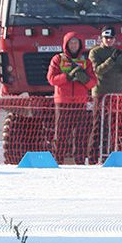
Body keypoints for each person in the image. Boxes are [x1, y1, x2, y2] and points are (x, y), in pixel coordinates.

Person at [46, 31, 97, 165]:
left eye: (76, 43)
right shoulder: (58, 59)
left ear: (80, 45)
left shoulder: (86, 62)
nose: (74, 45)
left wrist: (84, 79)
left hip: (81, 103)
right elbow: (51, 79)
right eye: (71, 43)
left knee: (81, 135)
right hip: (63, 103)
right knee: (61, 134)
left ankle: (80, 161)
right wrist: (66, 77)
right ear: (66, 45)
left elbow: (93, 83)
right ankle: (58, 161)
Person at [87, 26, 122, 163]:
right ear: (101, 38)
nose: (109, 40)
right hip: (101, 93)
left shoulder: (119, 52)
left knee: (116, 126)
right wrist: (112, 60)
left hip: (117, 94)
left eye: (111, 38)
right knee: (99, 125)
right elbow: (97, 70)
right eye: (106, 38)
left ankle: (111, 154)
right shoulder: (95, 52)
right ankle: (93, 157)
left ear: (115, 39)